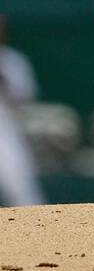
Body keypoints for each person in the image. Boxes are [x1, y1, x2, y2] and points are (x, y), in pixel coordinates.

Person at [0, 15, 44, 207]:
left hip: (5, 128)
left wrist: (4, 81)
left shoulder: (14, 62)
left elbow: (25, 100)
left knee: (21, 188)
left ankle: (37, 234)